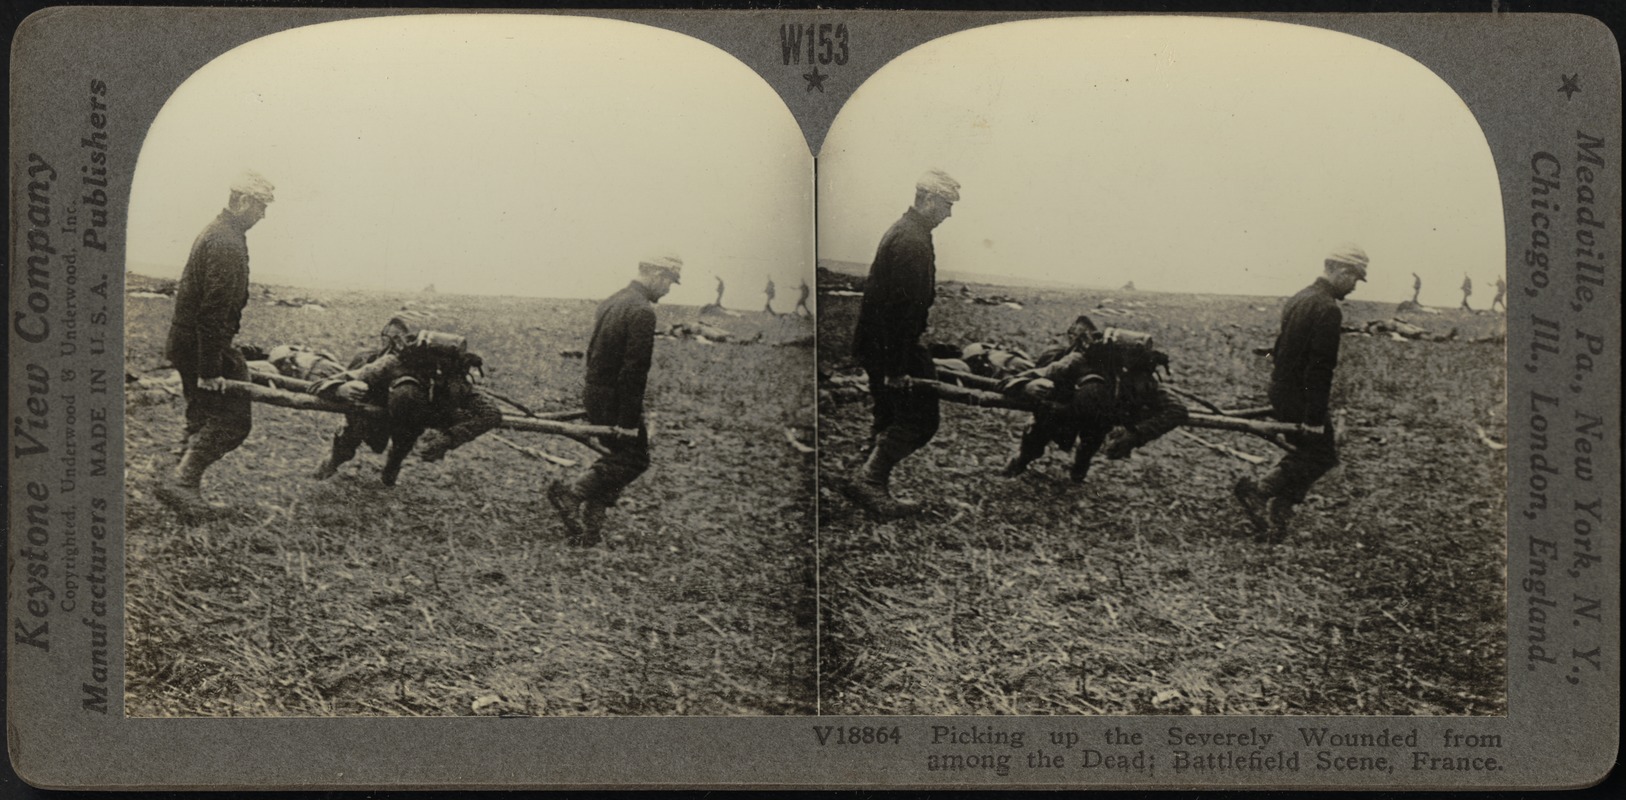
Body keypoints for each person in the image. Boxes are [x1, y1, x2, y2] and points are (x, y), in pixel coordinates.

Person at [154, 170, 275, 520]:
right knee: (234, 423)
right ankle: (183, 483)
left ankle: (175, 482)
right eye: (260, 207)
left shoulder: (223, 233)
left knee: (202, 414)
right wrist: (210, 369)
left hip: (191, 342)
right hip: (202, 345)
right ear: (240, 201)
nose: (263, 215)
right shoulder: (225, 241)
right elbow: (212, 310)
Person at [845, 169, 960, 517]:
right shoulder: (912, 241)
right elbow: (903, 309)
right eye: (945, 205)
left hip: (879, 342)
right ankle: (869, 482)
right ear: (927, 199)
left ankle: (859, 477)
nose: (949, 214)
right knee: (921, 420)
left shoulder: (907, 231)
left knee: (889, 413)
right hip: (892, 345)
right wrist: (897, 368)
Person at [1234, 244, 1368, 542]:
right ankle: (1261, 493)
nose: (1355, 286)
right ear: (1340, 271)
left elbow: (1284, 347)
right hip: (1300, 396)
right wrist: (1314, 417)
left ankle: (1278, 521)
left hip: (1282, 389)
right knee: (1321, 455)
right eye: (1355, 278)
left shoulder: (1300, 297)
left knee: (1308, 454)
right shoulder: (1328, 309)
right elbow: (1320, 369)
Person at [548, 255, 682, 545]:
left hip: (596, 391)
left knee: (617, 459)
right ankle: (572, 495)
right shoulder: (642, 311)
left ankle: (592, 530)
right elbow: (635, 370)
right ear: (657, 275)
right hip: (615, 399)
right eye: (669, 281)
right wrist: (628, 421)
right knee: (635, 459)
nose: (669, 289)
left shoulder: (612, 301)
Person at [309, 318, 500, 486]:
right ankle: (330, 464)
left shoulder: (454, 381)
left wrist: (448, 439)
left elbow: (491, 413)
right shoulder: (390, 364)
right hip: (373, 412)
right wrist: (341, 389)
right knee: (346, 446)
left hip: (414, 423)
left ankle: (391, 472)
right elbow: (323, 384)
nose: (437, 370)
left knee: (401, 447)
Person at [999, 321, 1187, 484]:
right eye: (1127, 356)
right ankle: (1020, 463)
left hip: (1098, 422)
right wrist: (1027, 386)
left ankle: (1078, 474)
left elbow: (1176, 409)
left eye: (1136, 358)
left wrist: (1136, 435)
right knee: (1033, 446)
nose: (1129, 363)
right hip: (1061, 413)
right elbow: (1023, 378)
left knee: (1088, 448)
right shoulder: (1078, 361)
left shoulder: (1142, 378)